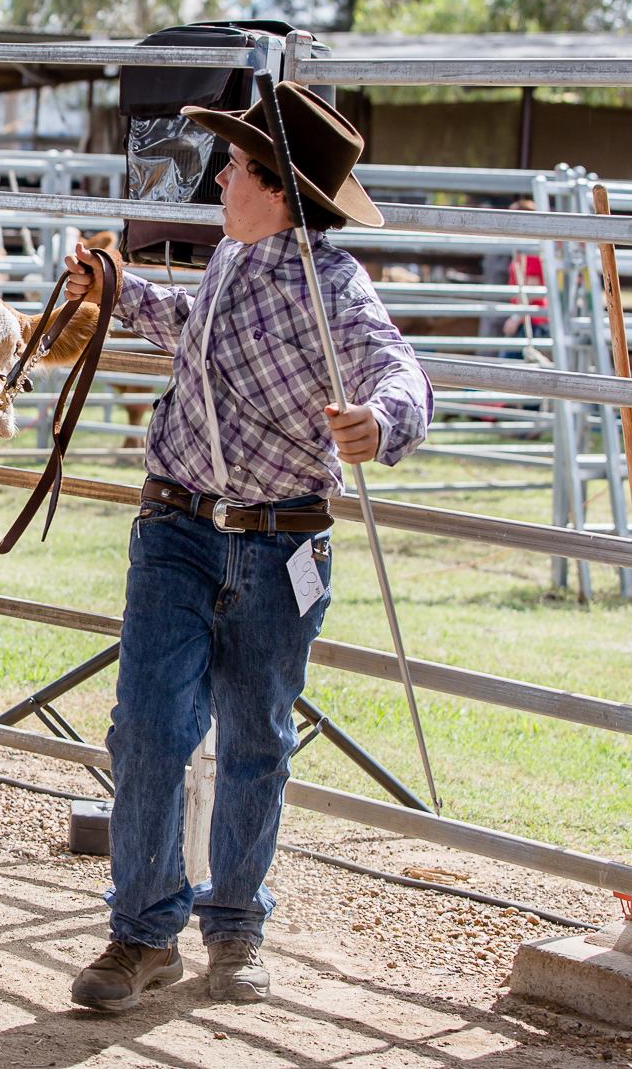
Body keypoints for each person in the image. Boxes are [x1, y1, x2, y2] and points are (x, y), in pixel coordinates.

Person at [60, 82, 431, 1012]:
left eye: (234, 166)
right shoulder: (231, 256)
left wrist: (382, 420)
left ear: (278, 189)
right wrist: (120, 289)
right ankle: (143, 933)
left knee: (257, 737)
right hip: (177, 526)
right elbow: (197, 336)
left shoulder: (336, 287)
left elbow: (400, 371)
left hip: (279, 543)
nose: (219, 178)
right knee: (147, 727)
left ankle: (234, 925)